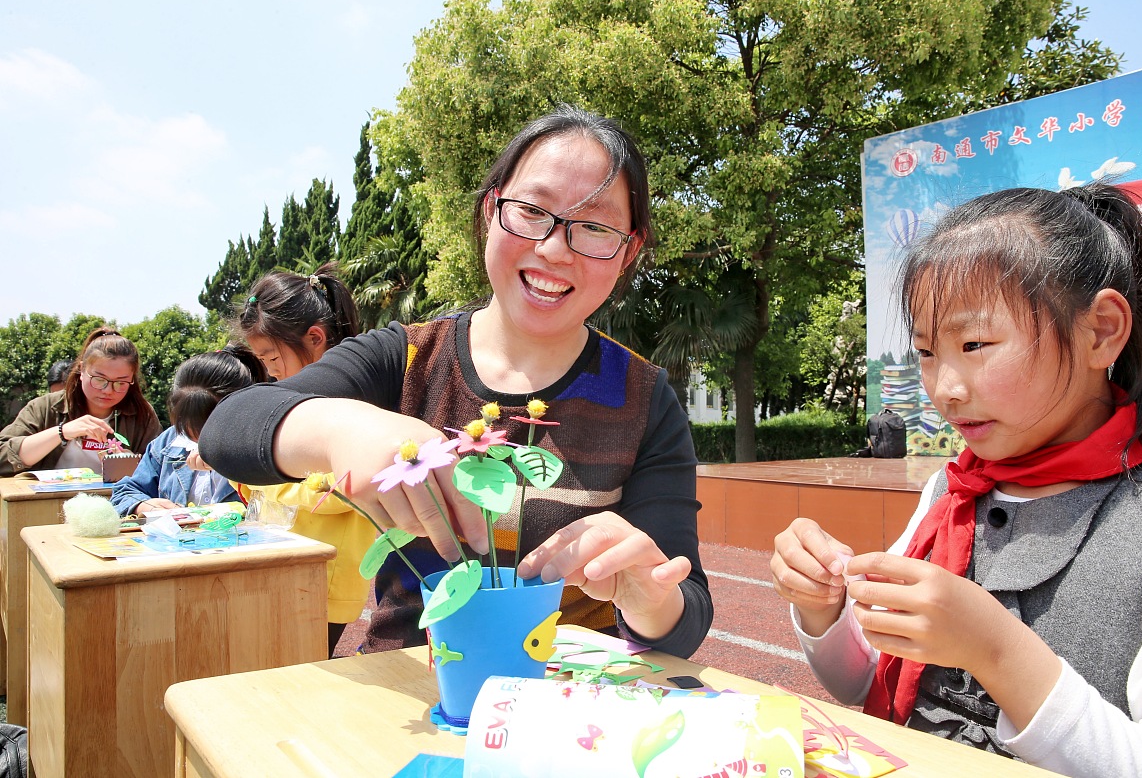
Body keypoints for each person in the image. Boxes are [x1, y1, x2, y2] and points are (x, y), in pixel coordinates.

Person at [202, 105, 712, 659]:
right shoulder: (406, 357)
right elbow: (229, 428)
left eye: (595, 227)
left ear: (628, 251)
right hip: (408, 691)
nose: (554, 249)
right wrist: (342, 427)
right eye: (532, 210)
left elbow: (686, 611)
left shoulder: (645, 397)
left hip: (572, 709)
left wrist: (650, 601)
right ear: (491, 210)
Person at [771, 183, 1142, 776]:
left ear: (1101, 331)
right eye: (926, 351)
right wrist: (823, 608)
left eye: (975, 343)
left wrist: (995, 650)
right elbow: (863, 681)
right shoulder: (952, 491)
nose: (945, 387)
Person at [223, 263, 378, 657]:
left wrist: (256, 479)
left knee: (295, 675)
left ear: (315, 339)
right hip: (295, 565)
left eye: (272, 358)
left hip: (326, 575)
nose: (271, 373)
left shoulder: (353, 405)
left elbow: (340, 491)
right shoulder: (300, 403)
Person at [110, 345, 267, 517]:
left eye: (211, 432)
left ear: (241, 410)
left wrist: (233, 466)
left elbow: (285, 505)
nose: (201, 442)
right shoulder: (168, 442)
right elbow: (124, 492)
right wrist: (144, 506)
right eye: (188, 431)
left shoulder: (266, 446)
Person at [0, 327, 162, 476]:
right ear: (82, 370)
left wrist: (131, 464)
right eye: (99, 379)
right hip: (46, 504)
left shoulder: (142, 415)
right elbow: (3, 456)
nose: (108, 390)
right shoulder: (45, 407)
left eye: (120, 382)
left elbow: (161, 470)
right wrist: (62, 432)